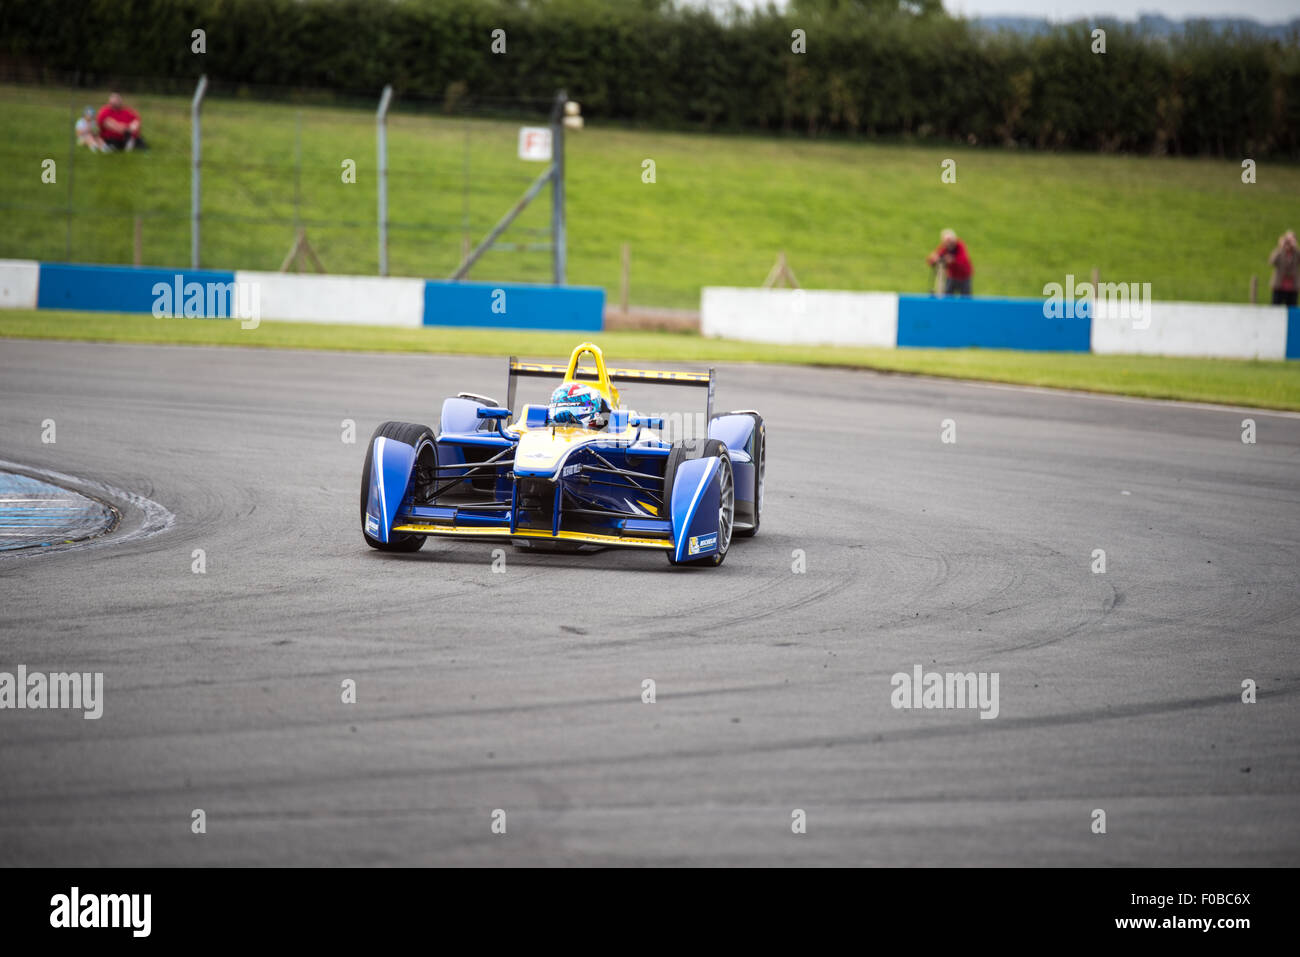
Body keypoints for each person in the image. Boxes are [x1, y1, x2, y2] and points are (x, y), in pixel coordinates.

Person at [926, 228, 973, 297]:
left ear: (954, 240)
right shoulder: (944, 248)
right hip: (952, 276)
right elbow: (932, 259)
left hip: (964, 276)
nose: (948, 244)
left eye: (949, 241)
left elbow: (963, 260)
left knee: (966, 297)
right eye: (946, 242)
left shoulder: (960, 246)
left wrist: (952, 260)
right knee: (948, 296)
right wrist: (934, 259)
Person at [1268, 231, 1298, 307]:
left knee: (1292, 311)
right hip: (1279, 286)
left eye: (1291, 240)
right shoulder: (1280, 252)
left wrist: (1296, 248)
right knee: (1275, 309)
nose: (1288, 243)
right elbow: (1271, 261)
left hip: (1292, 288)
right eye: (1287, 240)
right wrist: (1280, 247)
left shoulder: (1296, 253)